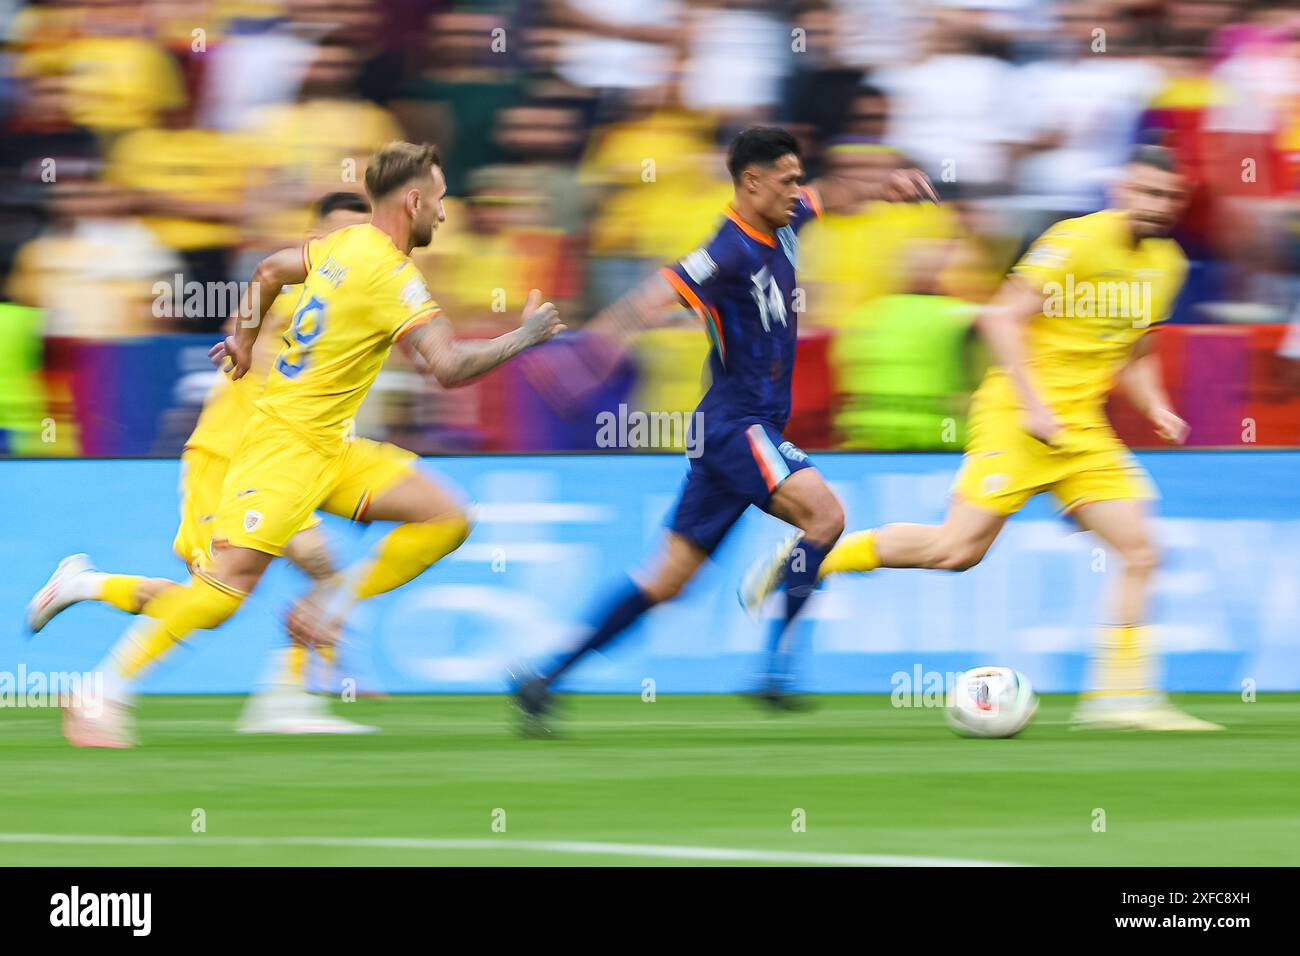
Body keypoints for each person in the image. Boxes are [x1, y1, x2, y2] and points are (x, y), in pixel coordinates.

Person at [58, 142, 563, 747]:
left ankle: (325, 612)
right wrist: (526, 336)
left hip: (333, 447)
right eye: (441, 199)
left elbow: (269, 270)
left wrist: (244, 340)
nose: (445, 214)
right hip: (287, 446)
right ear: (413, 199)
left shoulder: (342, 246)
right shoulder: (391, 274)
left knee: (445, 517)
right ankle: (101, 689)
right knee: (221, 596)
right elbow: (449, 367)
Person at [741, 145, 1222, 732]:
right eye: (1146, 192)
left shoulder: (1166, 264)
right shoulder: (1076, 241)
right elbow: (1000, 318)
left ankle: (1119, 698)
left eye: (1169, 197)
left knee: (1143, 551)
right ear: (1121, 189)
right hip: (1019, 417)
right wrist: (1035, 404)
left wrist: (1158, 406)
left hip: (1081, 428)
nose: (1157, 206)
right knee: (956, 551)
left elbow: (1137, 348)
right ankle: (815, 557)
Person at [514, 126, 935, 731]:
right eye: (787, 179)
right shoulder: (728, 250)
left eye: (797, 178)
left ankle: (545, 677)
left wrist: (886, 188)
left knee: (666, 581)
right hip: (738, 425)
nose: (798, 190)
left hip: (728, 432)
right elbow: (656, 292)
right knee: (826, 517)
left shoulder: (785, 221)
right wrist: (594, 351)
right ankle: (775, 668)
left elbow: (831, 195)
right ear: (752, 182)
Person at [28, 192, 375, 734]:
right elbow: (253, 326)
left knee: (307, 573)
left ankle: (292, 693)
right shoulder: (294, 290)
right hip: (227, 460)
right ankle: (102, 658)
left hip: (278, 465)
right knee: (216, 600)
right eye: (342, 233)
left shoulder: (356, 296)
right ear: (317, 240)